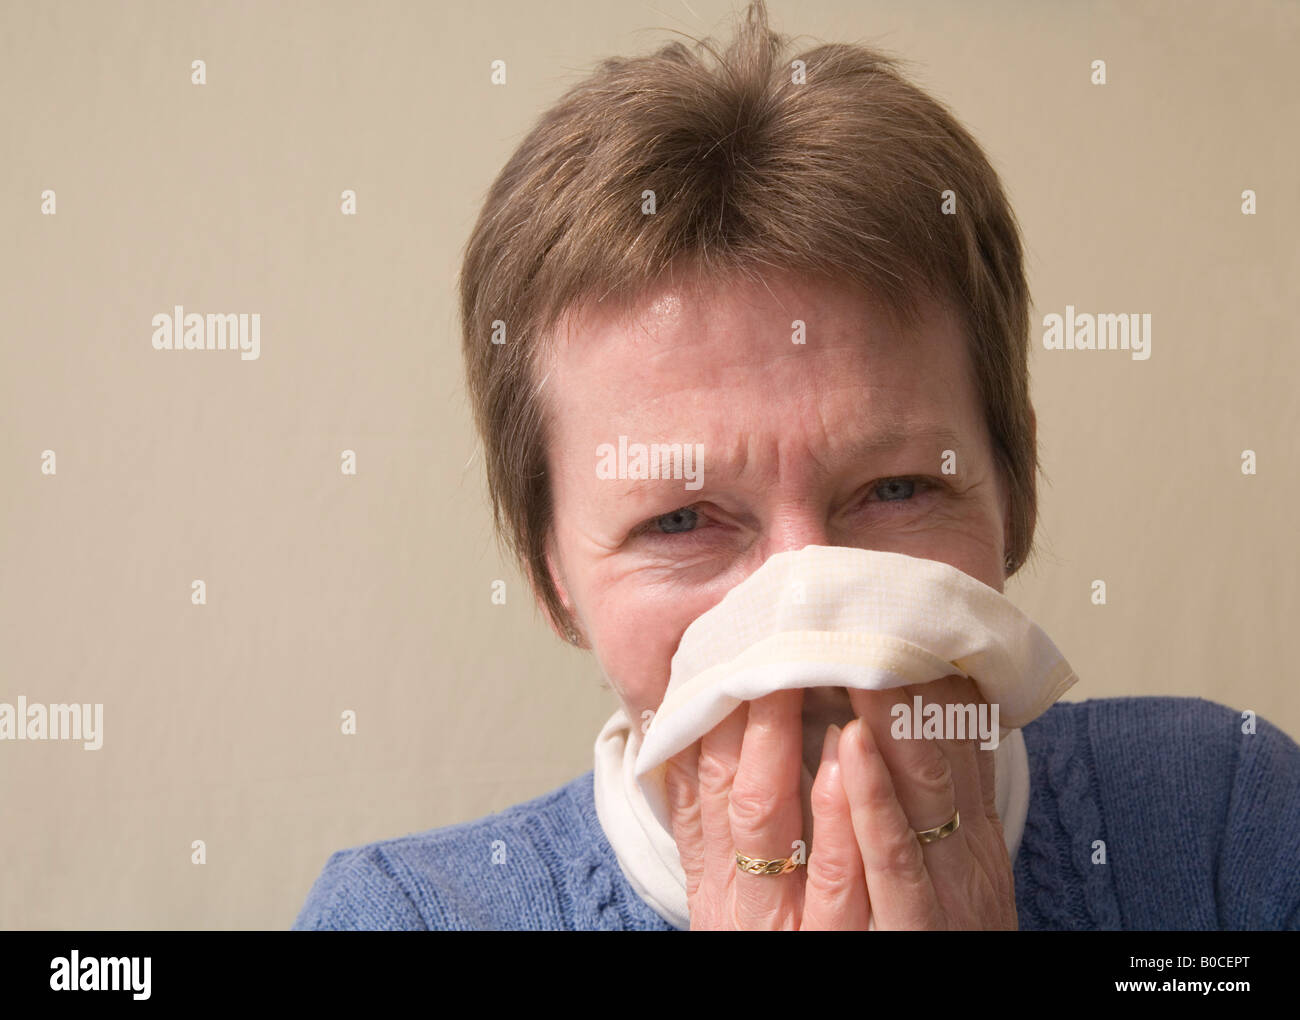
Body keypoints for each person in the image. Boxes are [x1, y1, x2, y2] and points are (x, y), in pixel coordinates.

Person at [292, 0, 1300, 930]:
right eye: (681, 519)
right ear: (549, 574)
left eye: (896, 489)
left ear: (1015, 493)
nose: (809, 612)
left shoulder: (1221, 819)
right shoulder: (410, 918)